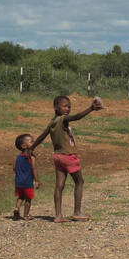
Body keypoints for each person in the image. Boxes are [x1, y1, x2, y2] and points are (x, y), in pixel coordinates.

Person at [29, 94, 104, 222]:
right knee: (79, 182)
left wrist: (32, 148)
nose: (67, 109)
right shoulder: (63, 119)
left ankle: (58, 216)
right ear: (55, 107)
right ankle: (77, 212)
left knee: (59, 186)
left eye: (69, 107)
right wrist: (91, 108)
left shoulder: (52, 122)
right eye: (64, 106)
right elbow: (77, 117)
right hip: (68, 156)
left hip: (58, 157)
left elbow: (42, 136)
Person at [13, 133, 40, 220]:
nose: (34, 142)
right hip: (27, 182)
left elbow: (14, 168)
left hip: (18, 181)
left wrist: (20, 174)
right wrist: (36, 180)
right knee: (28, 199)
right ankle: (26, 215)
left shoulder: (18, 157)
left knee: (21, 196)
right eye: (31, 141)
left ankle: (16, 209)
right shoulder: (31, 157)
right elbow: (34, 169)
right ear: (24, 146)